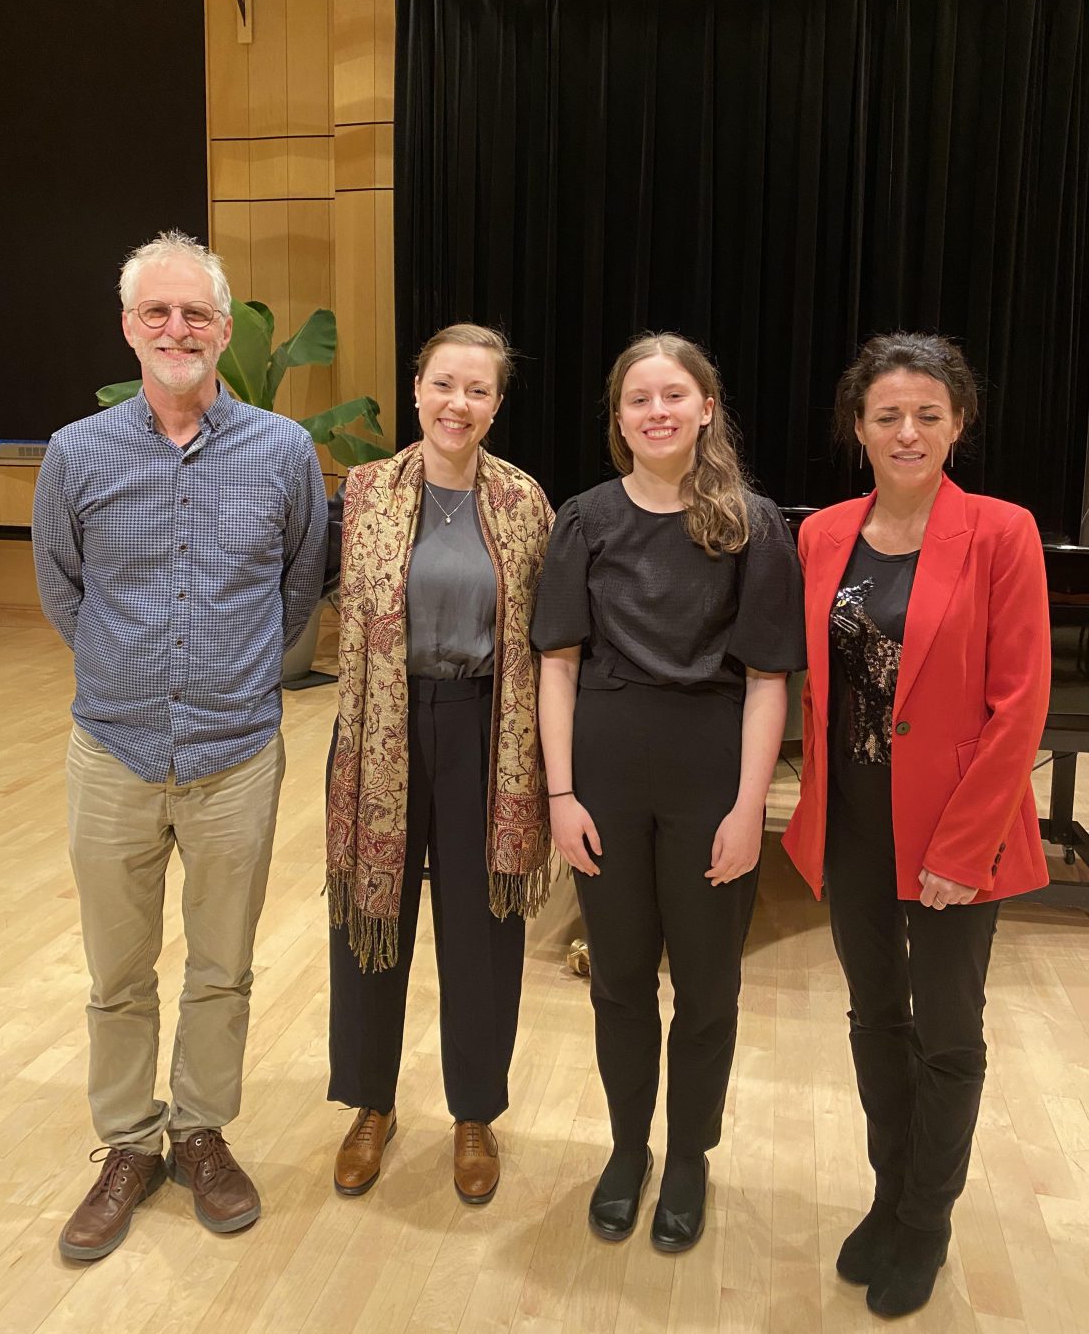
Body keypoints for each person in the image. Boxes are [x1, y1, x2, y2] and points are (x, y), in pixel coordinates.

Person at [33, 230, 327, 1260]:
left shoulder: (284, 453)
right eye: (155, 313)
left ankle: (200, 1131)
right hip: (110, 754)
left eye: (195, 313)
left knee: (222, 966)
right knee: (117, 972)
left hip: (236, 756)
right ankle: (127, 1144)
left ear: (222, 324)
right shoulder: (76, 454)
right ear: (128, 327)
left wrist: (223, 679)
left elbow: (301, 592)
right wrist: (132, 675)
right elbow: (62, 591)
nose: (176, 330)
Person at [783, 332, 1051, 1317]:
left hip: (954, 830)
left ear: (958, 425)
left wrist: (962, 847)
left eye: (927, 416)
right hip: (850, 819)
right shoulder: (822, 535)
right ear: (858, 427)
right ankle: (890, 1193)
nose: (907, 432)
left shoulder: (1002, 533)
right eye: (888, 415)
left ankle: (926, 1221)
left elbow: (1020, 704)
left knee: (947, 1033)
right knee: (872, 1018)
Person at [532, 333, 805, 1252]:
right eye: (638, 398)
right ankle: (627, 1149)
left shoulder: (754, 525)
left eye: (673, 395)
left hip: (708, 774)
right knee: (615, 981)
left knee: (708, 984)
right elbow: (558, 663)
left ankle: (688, 1153)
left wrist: (747, 809)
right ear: (620, 419)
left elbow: (771, 678)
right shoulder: (585, 519)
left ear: (705, 410)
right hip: (604, 770)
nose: (657, 411)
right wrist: (561, 795)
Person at [326, 323, 553, 1205]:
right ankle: (370, 1105)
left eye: (479, 391)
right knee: (370, 912)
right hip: (381, 729)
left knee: (482, 927)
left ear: (497, 403)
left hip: (487, 727)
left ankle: (474, 1114)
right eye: (445, 385)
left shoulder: (525, 501)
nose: (459, 404)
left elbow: (545, 635)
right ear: (417, 387)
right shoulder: (367, 489)